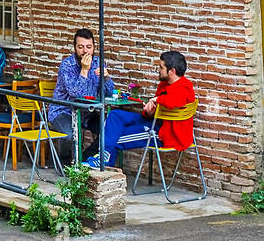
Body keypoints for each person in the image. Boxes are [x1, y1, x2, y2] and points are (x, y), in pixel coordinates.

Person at [85, 50, 195, 169]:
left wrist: (156, 100)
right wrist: (148, 112)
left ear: (172, 71)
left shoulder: (185, 87)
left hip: (166, 134)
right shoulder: (164, 84)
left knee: (115, 136)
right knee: (116, 115)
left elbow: (174, 102)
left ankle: (103, 160)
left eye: (161, 67)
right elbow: (157, 108)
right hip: (153, 122)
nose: (158, 70)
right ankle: (103, 159)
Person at [45, 28, 113, 160]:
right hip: (63, 111)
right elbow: (76, 94)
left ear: (94, 47)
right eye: (81, 47)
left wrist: (107, 79)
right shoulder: (67, 65)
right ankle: (65, 162)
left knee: (108, 131)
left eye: (89, 47)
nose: (85, 51)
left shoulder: (98, 63)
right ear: (75, 48)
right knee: (70, 135)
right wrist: (84, 70)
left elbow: (109, 94)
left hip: (87, 112)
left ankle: (84, 159)